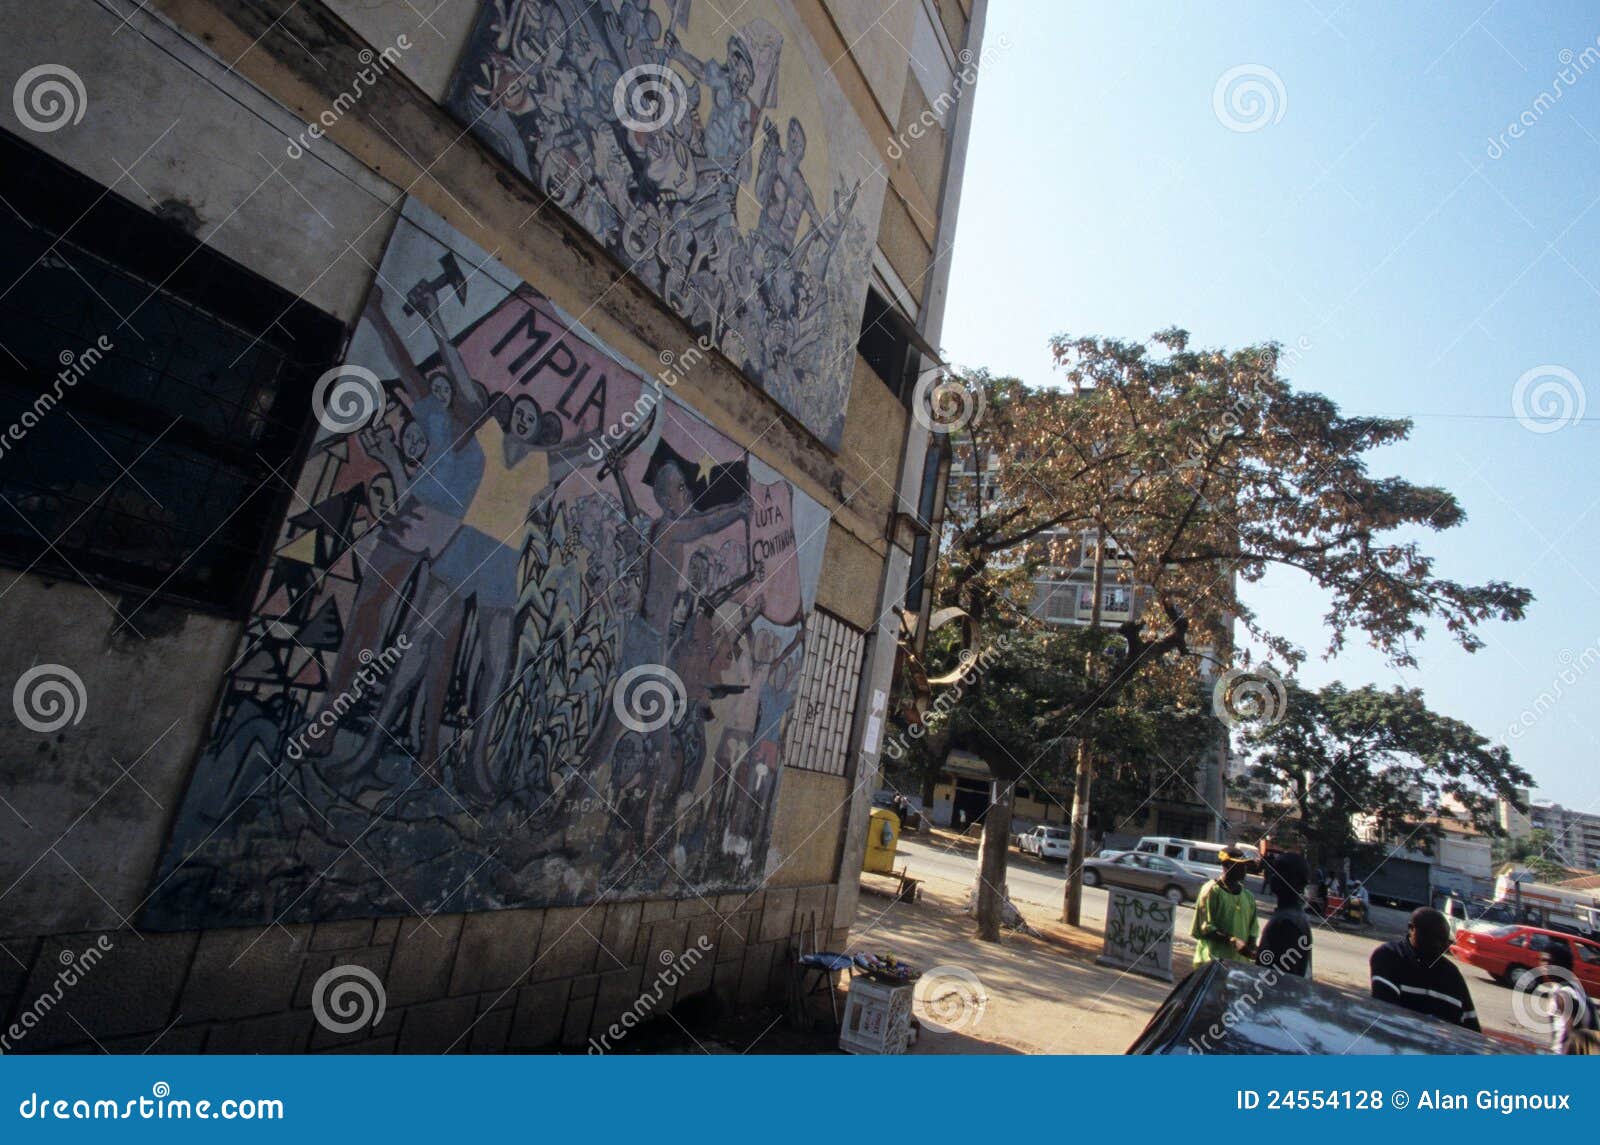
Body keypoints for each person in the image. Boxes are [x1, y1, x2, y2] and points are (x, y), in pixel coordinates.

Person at [1369, 907, 1479, 1031]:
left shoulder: (1452, 974)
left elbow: (1471, 1028)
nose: (1441, 946)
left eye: (1445, 941)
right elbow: (1386, 1013)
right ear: (1411, 929)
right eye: (1433, 937)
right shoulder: (1389, 955)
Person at [1190, 845, 1259, 966]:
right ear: (1226, 866)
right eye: (1239, 866)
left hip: (1239, 966)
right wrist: (1232, 940)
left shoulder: (1248, 896)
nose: (1244, 870)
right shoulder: (1211, 890)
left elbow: (1253, 929)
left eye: (1245, 866)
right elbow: (1206, 927)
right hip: (1212, 962)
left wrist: (1253, 948)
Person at [1257, 849, 1313, 978]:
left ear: (1298, 882)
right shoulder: (1292, 916)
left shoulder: (1287, 923)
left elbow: (1281, 979)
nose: (1273, 876)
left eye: (1281, 872)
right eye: (1274, 871)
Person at [1536, 941, 1598, 1053]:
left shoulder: (1563, 994)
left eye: (1549, 961)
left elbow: (1570, 1034)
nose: (1544, 965)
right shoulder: (1576, 988)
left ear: (1561, 965)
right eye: (1543, 960)